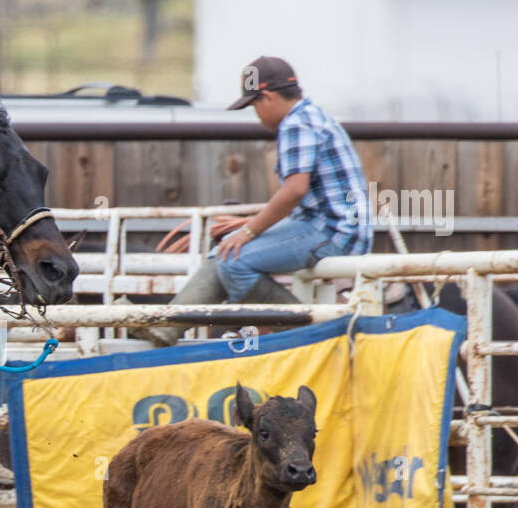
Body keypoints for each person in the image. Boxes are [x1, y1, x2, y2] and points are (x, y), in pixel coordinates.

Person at [155, 56, 371, 343]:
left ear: (267, 97)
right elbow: (306, 197)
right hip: (329, 227)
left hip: (332, 233)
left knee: (233, 261)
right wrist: (250, 227)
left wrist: (249, 231)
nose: (256, 114)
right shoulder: (313, 117)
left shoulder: (295, 125)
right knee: (225, 252)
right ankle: (165, 327)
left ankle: (312, 334)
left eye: (254, 105)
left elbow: (294, 190)